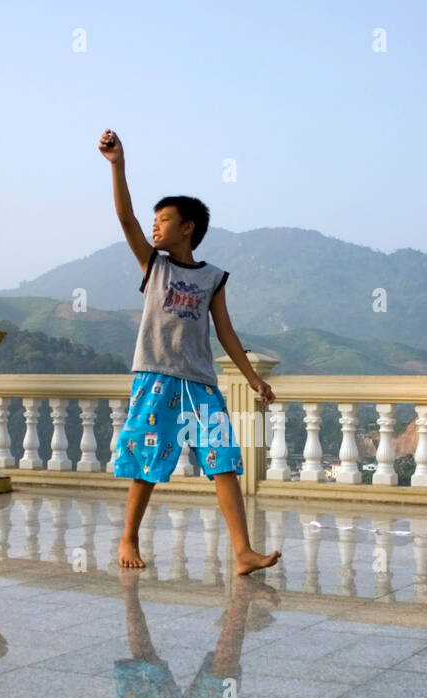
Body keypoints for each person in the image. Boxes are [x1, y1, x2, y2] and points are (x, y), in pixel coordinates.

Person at [98, 128, 280, 574]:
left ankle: (242, 552)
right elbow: (127, 221)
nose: (155, 225)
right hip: (155, 376)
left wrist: (253, 378)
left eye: (164, 219)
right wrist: (118, 165)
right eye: (155, 219)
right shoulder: (153, 265)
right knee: (146, 459)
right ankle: (128, 537)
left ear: (188, 228)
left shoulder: (212, 277)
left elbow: (226, 332)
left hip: (200, 383)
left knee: (223, 462)